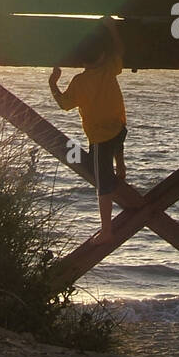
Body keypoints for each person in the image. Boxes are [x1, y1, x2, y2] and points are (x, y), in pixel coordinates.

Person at [49, 17, 126, 244]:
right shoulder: (109, 68)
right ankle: (120, 167)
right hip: (120, 129)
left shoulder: (79, 82)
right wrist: (112, 29)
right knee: (116, 142)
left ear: (80, 59)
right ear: (102, 55)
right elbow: (120, 50)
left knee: (102, 183)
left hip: (100, 138)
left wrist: (53, 83)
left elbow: (63, 104)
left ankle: (107, 231)